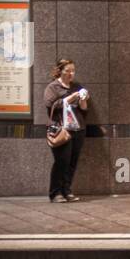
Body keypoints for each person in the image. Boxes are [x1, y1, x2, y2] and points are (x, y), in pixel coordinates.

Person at [44, 59, 89, 202]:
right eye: (68, 70)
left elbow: (84, 110)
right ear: (60, 71)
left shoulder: (76, 86)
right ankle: (55, 193)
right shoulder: (53, 87)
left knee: (72, 162)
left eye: (73, 71)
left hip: (78, 129)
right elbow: (50, 105)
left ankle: (67, 191)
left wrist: (83, 99)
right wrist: (69, 99)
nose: (71, 74)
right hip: (61, 129)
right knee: (61, 161)